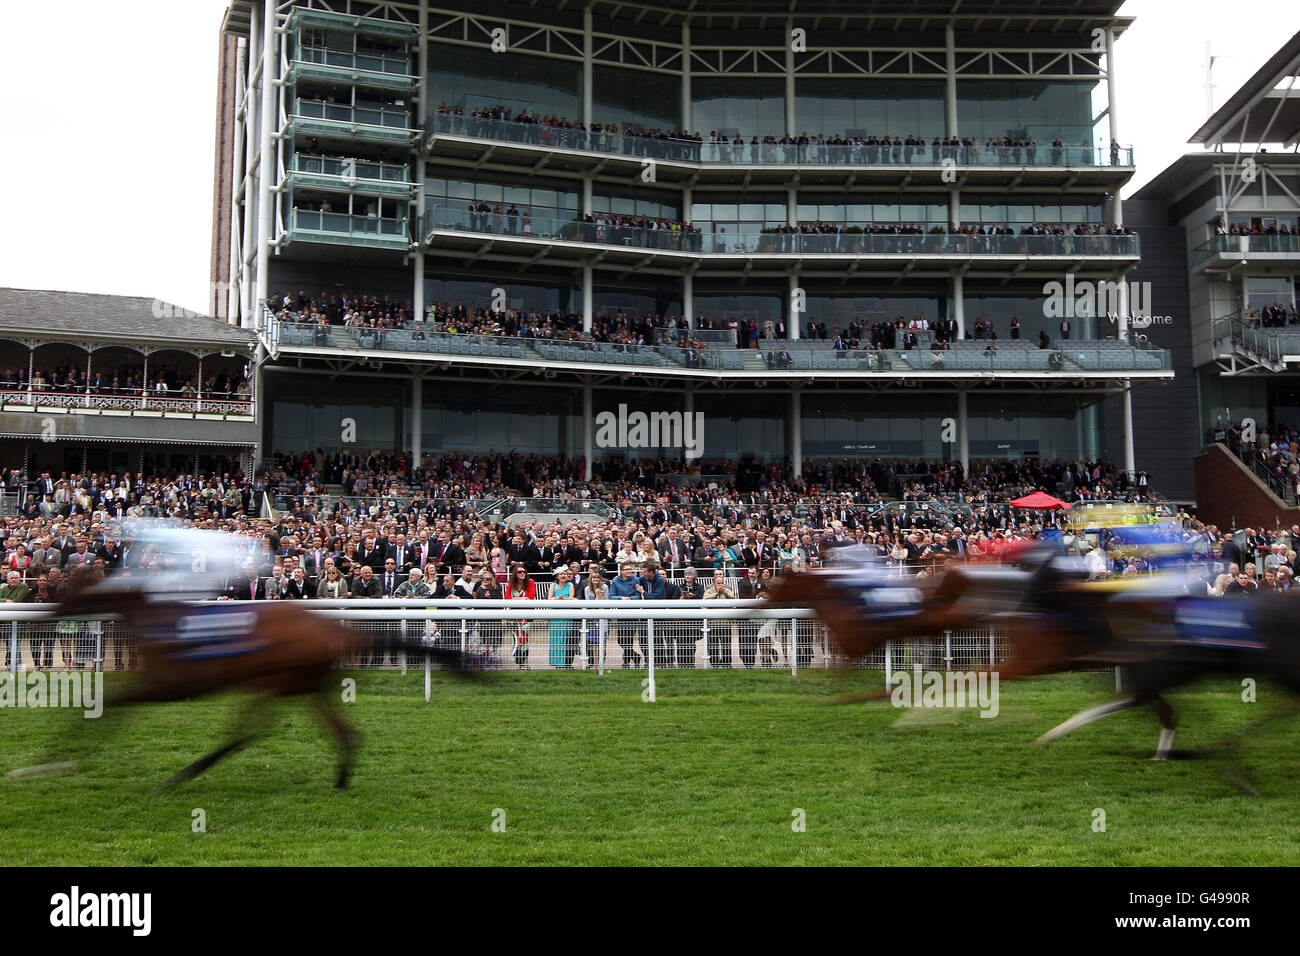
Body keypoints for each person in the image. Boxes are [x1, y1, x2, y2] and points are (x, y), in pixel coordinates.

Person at [607, 560, 644, 667]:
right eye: (626, 569)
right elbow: (611, 596)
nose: (629, 571)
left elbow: (638, 596)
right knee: (621, 639)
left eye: (630, 569)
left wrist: (630, 599)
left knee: (630, 638)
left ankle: (626, 661)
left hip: (633, 612)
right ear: (621, 571)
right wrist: (621, 598)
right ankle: (635, 656)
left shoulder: (636, 579)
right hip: (621, 612)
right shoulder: (616, 582)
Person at [504, 564, 535, 669]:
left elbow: (530, 596)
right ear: (515, 574)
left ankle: (525, 664)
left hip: (526, 617)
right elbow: (507, 597)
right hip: (514, 617)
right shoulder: (511, 584)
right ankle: (519, 663)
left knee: (524, 640)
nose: (522, 574)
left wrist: (515, 599)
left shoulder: (531, 582)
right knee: (516, 640)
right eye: (519, 572)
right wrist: (520, 599)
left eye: (524, 572)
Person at [702, 569, 735, 667]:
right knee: (713, 645)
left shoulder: (727, 590)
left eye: (721, 583)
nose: (720, 585)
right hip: (713, 623)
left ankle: (726, 663)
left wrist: (724, 593)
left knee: (726, 645)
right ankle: (715, 663)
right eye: (718, 583)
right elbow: (704, 601)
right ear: (714, 584)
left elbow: (733, 600)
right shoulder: (708, 591)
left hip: (725, 623)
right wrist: (716, 594)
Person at [549, 567, 577, 668]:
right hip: (556, 615)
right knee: (556, 638)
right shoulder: (553, 585)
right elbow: (549, 598)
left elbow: (571, 597)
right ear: (557, 576)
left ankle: (565, 663)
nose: (563, 575)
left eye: (565, 573)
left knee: (565, 639)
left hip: (566, 615)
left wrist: (563, 599)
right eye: (561, 574)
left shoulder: (570, 585)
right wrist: (557, 598)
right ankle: (556, 662)